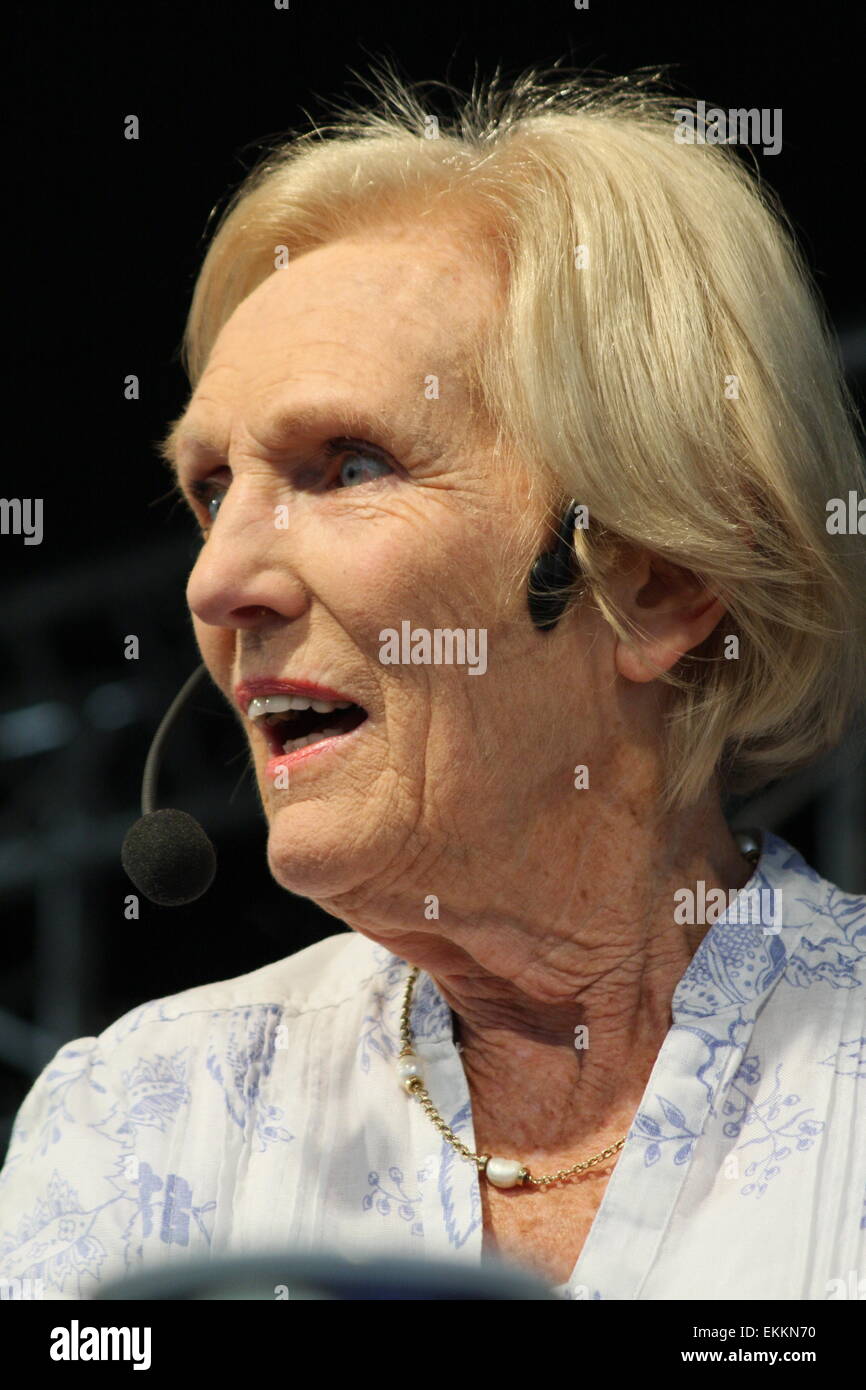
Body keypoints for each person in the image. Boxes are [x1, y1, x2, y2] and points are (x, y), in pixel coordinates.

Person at [1, 68, 864, 1301]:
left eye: (347, 465)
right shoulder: (137, 1122)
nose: (216, 581)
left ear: (658, 581)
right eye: (208, 492)